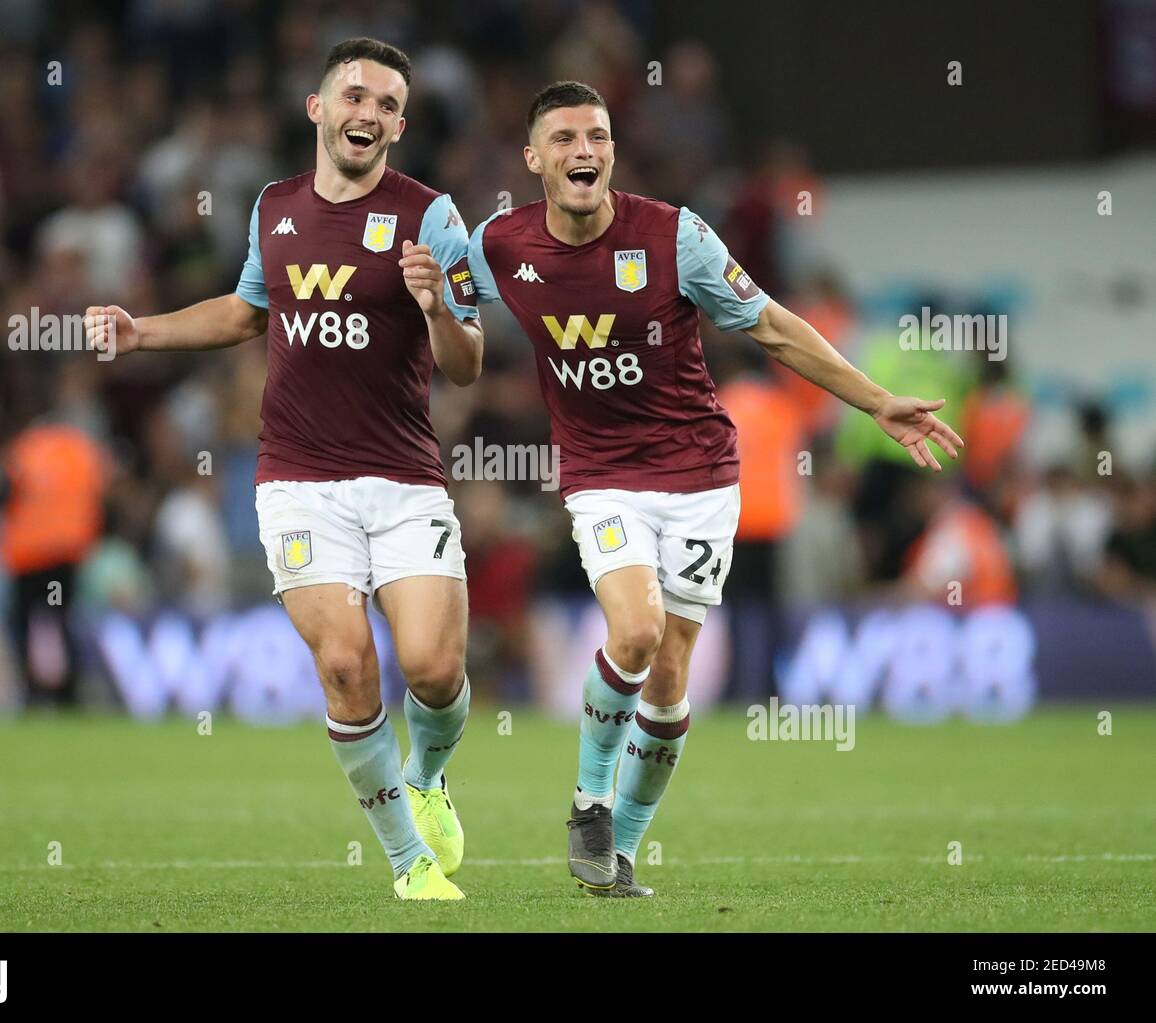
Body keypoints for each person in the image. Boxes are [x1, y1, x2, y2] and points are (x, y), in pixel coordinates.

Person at [467, 81, 964, 896]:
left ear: (612, 151)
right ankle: (589, 801)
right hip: (602, 478)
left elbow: (769, 324)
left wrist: (878, 401)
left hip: (699, 476)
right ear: (533, 159)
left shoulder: (674, 237)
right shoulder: (499, 245)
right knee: (633, 631)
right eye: (562, 139)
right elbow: (429, 306)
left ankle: (617, 852)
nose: (582, 150)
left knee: (667, 682)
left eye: (595, 135)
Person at [85, 39, 483, 901]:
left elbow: (466, 361)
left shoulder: (434, 217)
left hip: (404, 476)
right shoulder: (274, 206)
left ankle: (428, 774)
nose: (366, 113)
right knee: (344, 664)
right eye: (354, 95)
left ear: (400, 126)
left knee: (434, 669)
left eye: (385, 104)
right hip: (297, 479)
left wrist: (437, 308)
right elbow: (244, 310)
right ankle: (409, 861)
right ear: (318, 107)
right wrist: (142, 330)